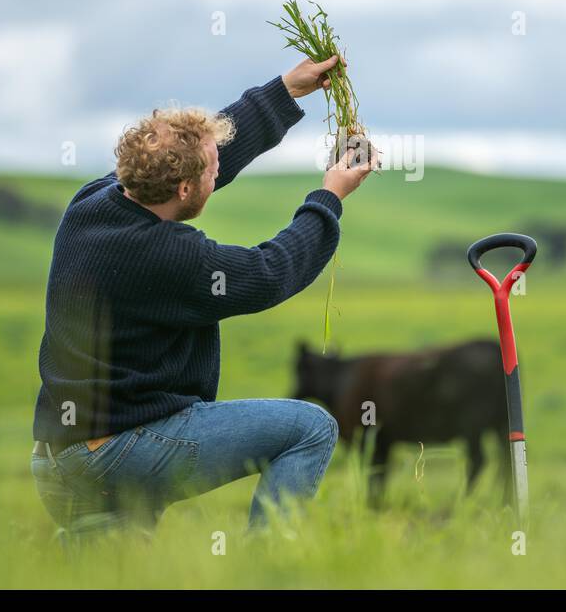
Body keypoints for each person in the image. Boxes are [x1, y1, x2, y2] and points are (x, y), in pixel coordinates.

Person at [30, 56, 375, 545]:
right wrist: (330, 196)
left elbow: (204, 157)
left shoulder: (96, 199)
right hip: (118, 455)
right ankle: (266, 576)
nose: (220, 172)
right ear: (187, 188)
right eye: (213, 172)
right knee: (310, 428)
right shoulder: (170, 256)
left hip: (60, 458)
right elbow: (268, 273)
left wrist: (283, 92)